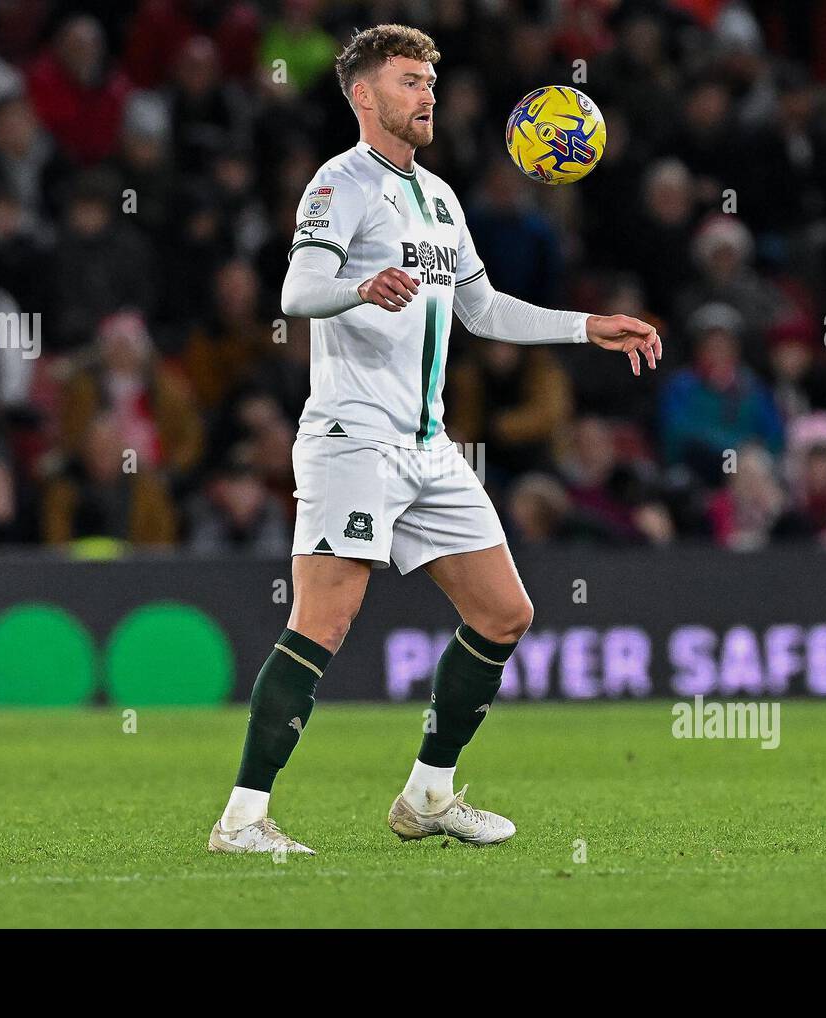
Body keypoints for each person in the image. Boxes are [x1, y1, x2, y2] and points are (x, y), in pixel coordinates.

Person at [208, 24, 661, 855]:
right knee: (324, 623)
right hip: (353, 437)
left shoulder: (442, 198)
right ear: (364, 96)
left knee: (504, 612)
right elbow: (297, 287)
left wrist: (583, 327)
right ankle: (241, 817)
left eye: (429, 81)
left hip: (427, 445)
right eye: (409, 81)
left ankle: (428, 794)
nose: (427, 95)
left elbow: (482, 309)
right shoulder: (339, 184)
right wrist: (357, 285)